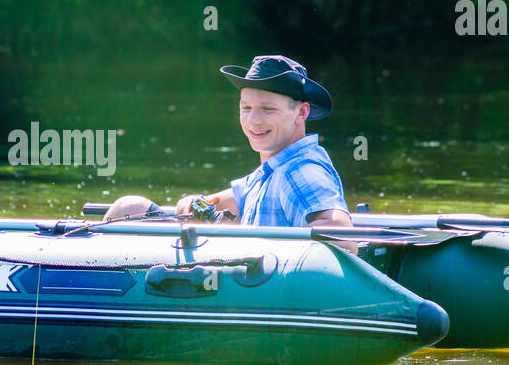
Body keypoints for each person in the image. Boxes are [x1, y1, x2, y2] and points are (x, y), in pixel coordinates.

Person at [105, 54, 353, 240]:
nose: (253, 121)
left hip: (265, 297)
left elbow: (342, 234)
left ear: (302, 112)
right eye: (246, 108)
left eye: (268, 109)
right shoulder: (268, 173)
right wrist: (193, 204)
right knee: (129, 208)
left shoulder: (300, 172)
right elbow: (204, 204)